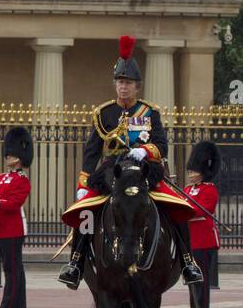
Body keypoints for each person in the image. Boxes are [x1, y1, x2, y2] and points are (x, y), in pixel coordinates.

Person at [58, 35, 201, 289]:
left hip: (145, 171)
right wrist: (83, 181)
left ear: (137, 87)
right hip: (112, 171)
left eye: (128, 83)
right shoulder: (104, 114)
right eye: (120, 82)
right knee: (85, 210)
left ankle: (188, 262)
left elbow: (161, 145)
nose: (123, 87)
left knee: (177, 207)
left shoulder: (149, 112)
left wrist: (145, 151)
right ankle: (76, 263)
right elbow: (92, 151)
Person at [0, 126, 32, 308]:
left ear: (18, 158)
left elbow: (13, 205)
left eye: (10, 155)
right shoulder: (1, 178)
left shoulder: (22, 180)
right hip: (1, 228)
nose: (7, 158)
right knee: (12, 269)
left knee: (12, 270)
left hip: (12, 229)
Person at [182, 140, 220, 308]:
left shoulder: (209, 189)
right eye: (189, 171)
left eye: (193, 171)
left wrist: (184, 208)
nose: (190, 174)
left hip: (203, 241)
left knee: (201, 279)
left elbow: (201, 210)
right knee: (192, 278)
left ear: (203, 171)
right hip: (189, 241)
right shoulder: (188, 190)